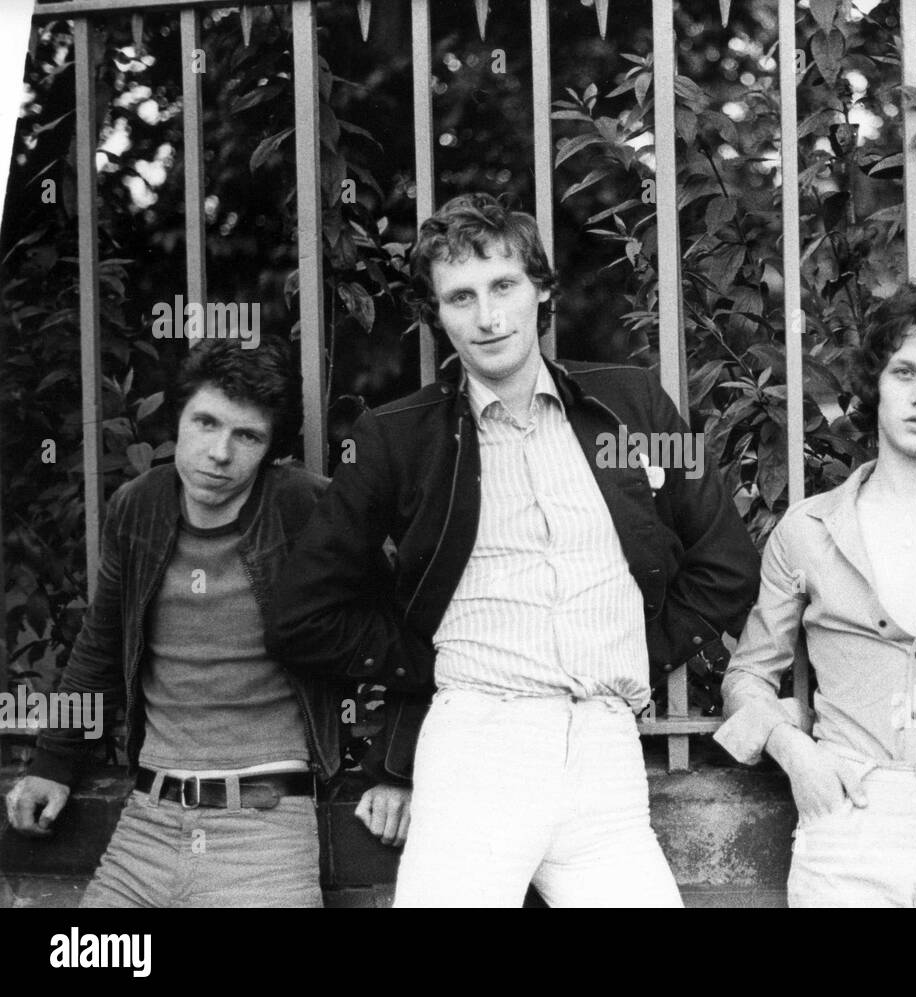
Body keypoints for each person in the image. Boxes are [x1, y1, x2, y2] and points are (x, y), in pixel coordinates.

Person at [265, 192, 760, 908]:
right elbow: (302, 611)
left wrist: (635, 648)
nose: (488, 316)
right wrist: (434, 661)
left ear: (542, 290)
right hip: (477, 744)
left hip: (604, 748)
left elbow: (726, 563)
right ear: (438, 314)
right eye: (460, 297)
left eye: (504, 286)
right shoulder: (399, 437)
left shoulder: (630, 405)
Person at [4, 337, 401, 907]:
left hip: (265, 836)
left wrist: (396, 767)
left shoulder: (307, 508)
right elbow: (100, 644)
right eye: (206, 423)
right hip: (146, 825)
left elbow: (402, 633)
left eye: (247, 436)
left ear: (269, 450)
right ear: (179, 421)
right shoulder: (138, 505)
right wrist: (53, 763)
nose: (219, 453)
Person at [716, 283, 916, 907]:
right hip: (847, 822)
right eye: (905, 371)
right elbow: (746, 677)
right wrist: (793, 752)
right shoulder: (808, 530)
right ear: (875, 383)